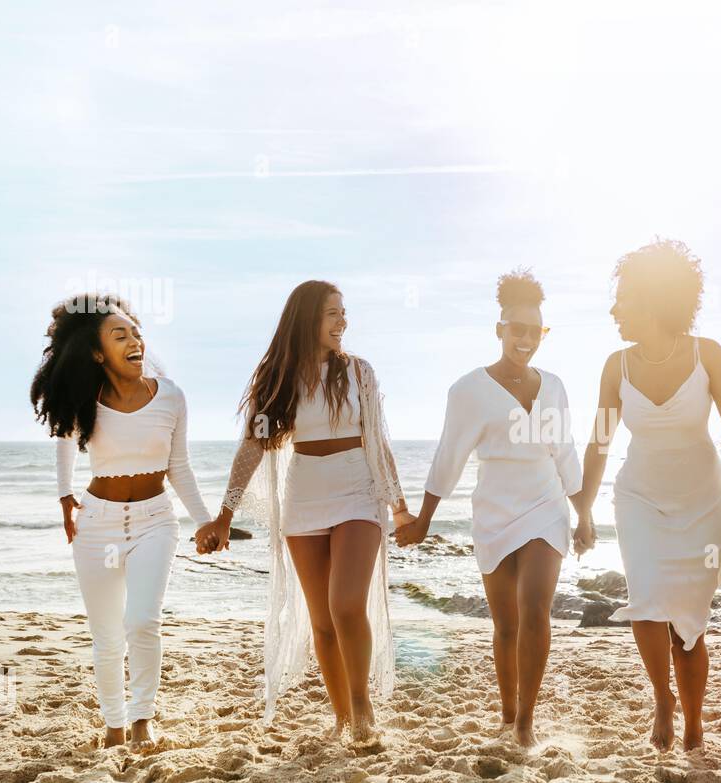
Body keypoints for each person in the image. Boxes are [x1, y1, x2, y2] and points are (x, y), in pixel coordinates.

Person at [573, 239, 721, 753]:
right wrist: (583, 509)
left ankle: (694, 716)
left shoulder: (707, 354)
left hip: (701, 500)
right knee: (647, 601)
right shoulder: (617, 366)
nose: (614, 310)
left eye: (623, 298)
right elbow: (600, 441)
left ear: (653, 298)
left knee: (688, 629)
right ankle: (662, 698)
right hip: (639, 498)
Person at [195, 280, 412, 743]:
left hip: (358, 491)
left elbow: (378, 439)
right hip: (304, 498)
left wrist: (400, 507)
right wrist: (225, 515)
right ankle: (341, 718)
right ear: (307, 319)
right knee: (322, 620)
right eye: (333, 313)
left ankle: (361, 708)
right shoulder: (278, 375)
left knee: (346, 604)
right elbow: (253, 446)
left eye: (344, 312)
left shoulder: (359, 373)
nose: (343, 322)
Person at [396, 269, 583, 747]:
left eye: (535, 331)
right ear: (500, 329)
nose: (526, 339)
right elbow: (449, 456)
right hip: (495, 514)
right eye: (517, 329)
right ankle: (506, 711)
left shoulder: (555, 386)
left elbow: (565, 452)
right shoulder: (469, 390)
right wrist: (423, 520)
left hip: (546, 506)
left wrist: (585, 514)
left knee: (536, 608)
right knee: (506, 625)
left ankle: (525, 721)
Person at [30, 294, 212, 749]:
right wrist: (64, 495)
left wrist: (206, 521)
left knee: (143, 622)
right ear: (97, 352)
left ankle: (142, 720)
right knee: (108, 635)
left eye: (136, 332)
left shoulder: (170, 396)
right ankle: (113, 726)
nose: (135, 341)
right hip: (98, 525)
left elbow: (180, 467)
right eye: (120, 335)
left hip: (155, 521)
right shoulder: (82, 399)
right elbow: (66, 443)